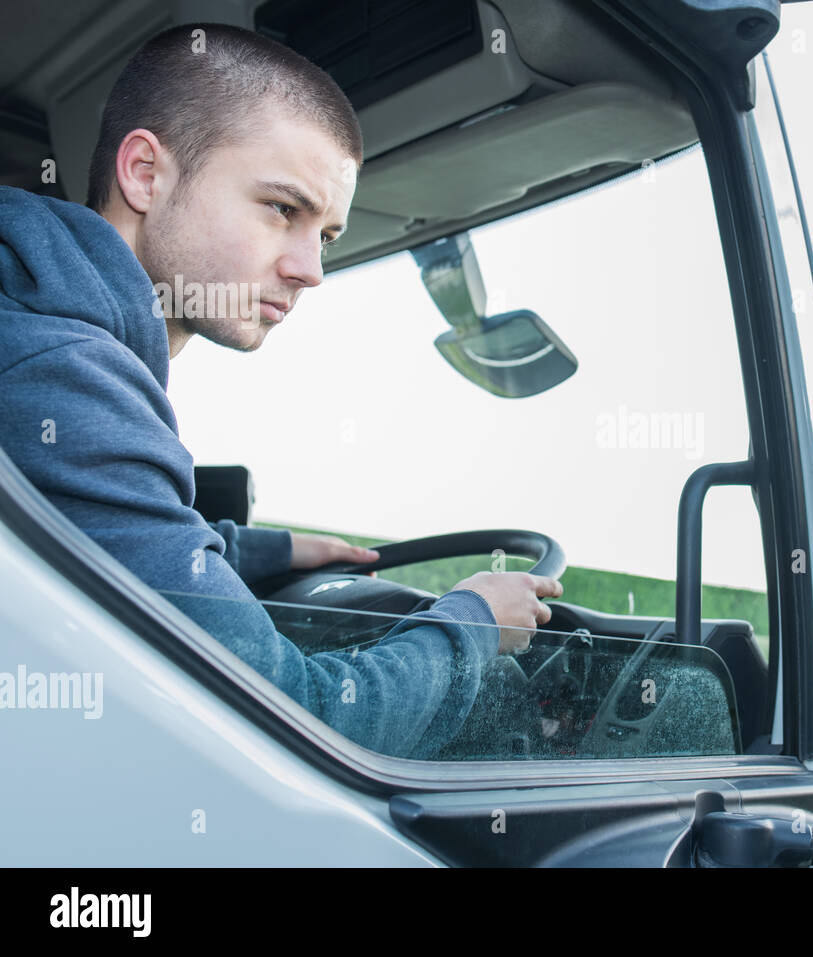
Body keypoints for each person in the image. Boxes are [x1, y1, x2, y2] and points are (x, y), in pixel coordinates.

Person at [0, 23, 560, 759]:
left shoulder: (41, 327)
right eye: (281, 208)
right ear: (144, 174)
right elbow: (294, 719)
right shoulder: (59, 373)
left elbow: (93, 541)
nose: (311, 270)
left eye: (325, 236)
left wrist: (260, 550)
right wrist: (472, 620)